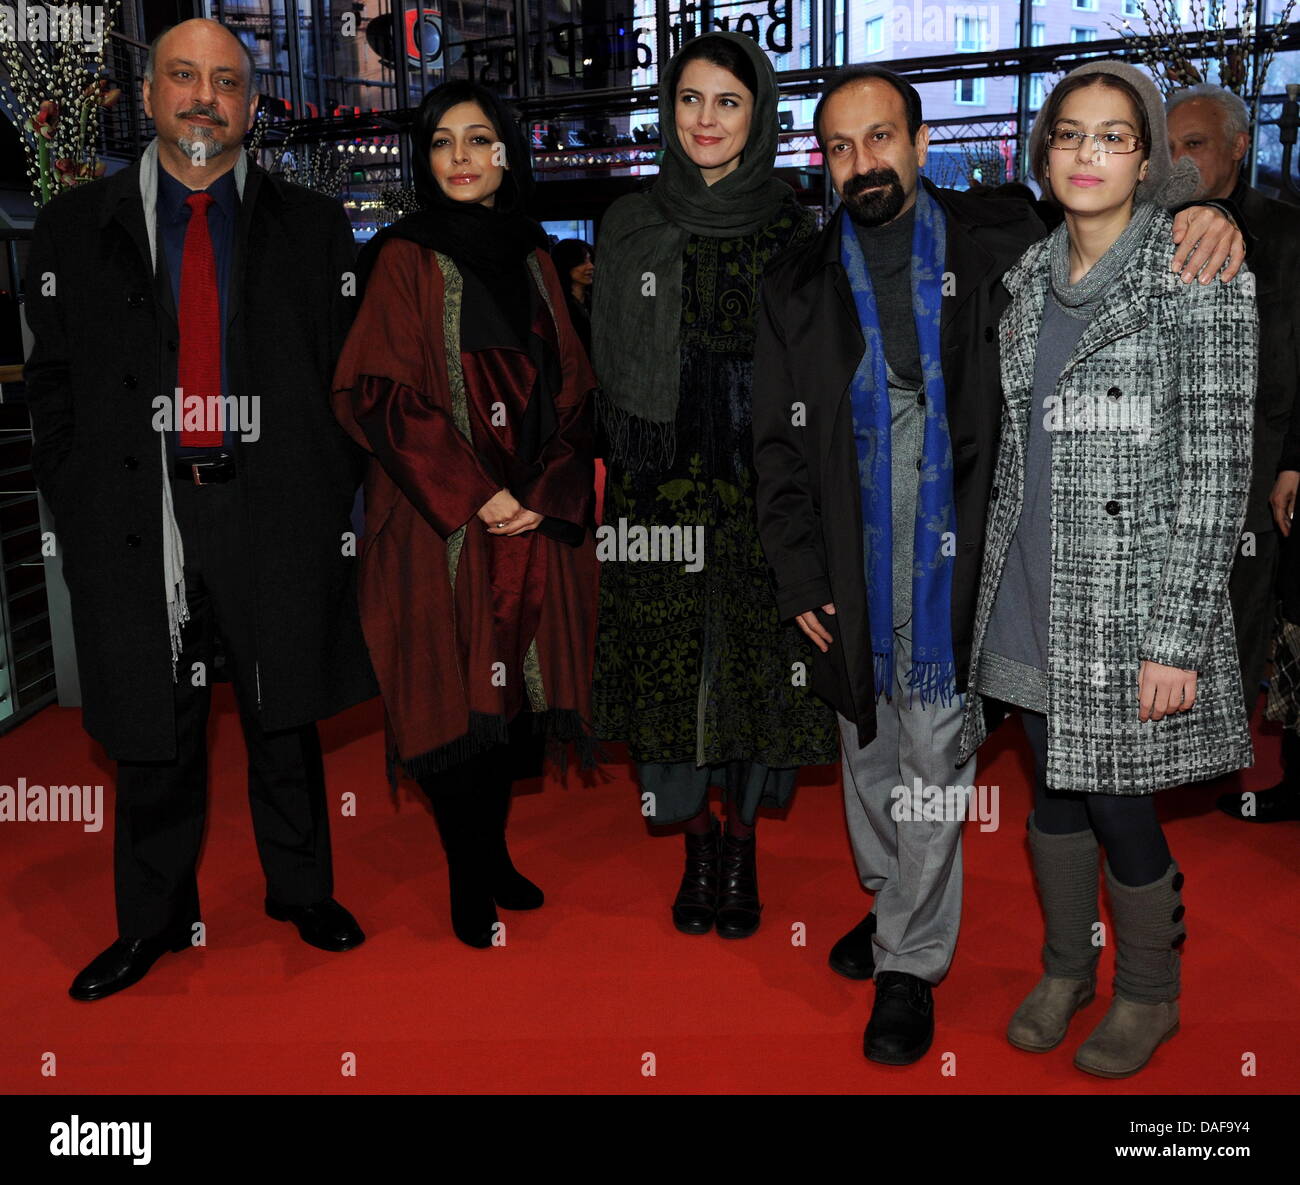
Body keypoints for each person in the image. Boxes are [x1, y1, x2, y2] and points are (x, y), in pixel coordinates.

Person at [751, 64, 1245, 1066]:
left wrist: (1209, 216)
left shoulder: (996, 241)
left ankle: (920, 963)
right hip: (896, 560)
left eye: (880, 138)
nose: (862, 162)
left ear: (921, 143)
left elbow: (1211, 458)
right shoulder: (813, 282)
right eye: (840, 147)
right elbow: (772, 441)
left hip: (973, 557)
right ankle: (962, 927)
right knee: (886, 752)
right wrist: (801, 574)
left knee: (971, 765)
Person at [23, 18, 378, 1001]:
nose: (202, 98)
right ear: (149, 96)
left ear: (250, 109)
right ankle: (152, 921)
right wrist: (80, 493)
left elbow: (343, 379)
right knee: (153, 726)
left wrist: (321, 492)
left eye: (225, 82)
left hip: (267, 508)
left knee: (282, 715)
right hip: (143, 515)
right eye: (183, 75)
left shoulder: (310, 229)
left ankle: (302, 893)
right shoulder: (71, 228)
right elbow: (49, 382)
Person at [957, 60, 1257, 1078]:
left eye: (1113, 136)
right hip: (1032, 590)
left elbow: (1218, 473)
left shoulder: (1198, 270)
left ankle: (1147, 993)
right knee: (1049, 793)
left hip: (1128, 605)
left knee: (1120, 803)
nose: (1088, 154)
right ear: (1043, 154)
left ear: (1147, 158)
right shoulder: (1024, 281)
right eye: (1069, 135)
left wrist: (1175, 637)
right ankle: (1063, 967)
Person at [331, 80, 599, 949]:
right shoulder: (400, 256)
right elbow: (373, 391)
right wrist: (472, 491)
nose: (460, 158)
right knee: (450, 692)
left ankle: (495, 853)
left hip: (523, 516)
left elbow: (574, 388)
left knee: (510, 697)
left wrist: (540, 491)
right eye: (443, 142)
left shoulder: (534, 258)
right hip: (435, 519)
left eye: (478, 140)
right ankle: (466, 869)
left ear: (505, 154)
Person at [590, 31, 838, 941]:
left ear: (756, 115)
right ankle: (696, 842)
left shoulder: (789, 225)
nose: (706, 119)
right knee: (665, 681)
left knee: (750, 677)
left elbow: (813, 372)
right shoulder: (628, 222)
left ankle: (740, 848)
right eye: (690, 100)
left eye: (727, 103)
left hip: (756, 493)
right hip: (654, 496)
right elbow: (604, 367)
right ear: (669, 110)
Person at [1166, 84, 1300, 823]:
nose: (1182, 160)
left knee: (1243, 608)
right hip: (1170, 449)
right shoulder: (1149, 231)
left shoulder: (1288, 235)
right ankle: (1174, 747)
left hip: (1260, 452)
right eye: (1173, 146)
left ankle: (1213, 751)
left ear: (1240, 147)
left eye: (1198, 144)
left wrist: (1294, 459)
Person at [550, 237, 594, 355]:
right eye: (582, 262)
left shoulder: (594, 301)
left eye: (590, 260)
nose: (590, 266)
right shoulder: (559, 306)